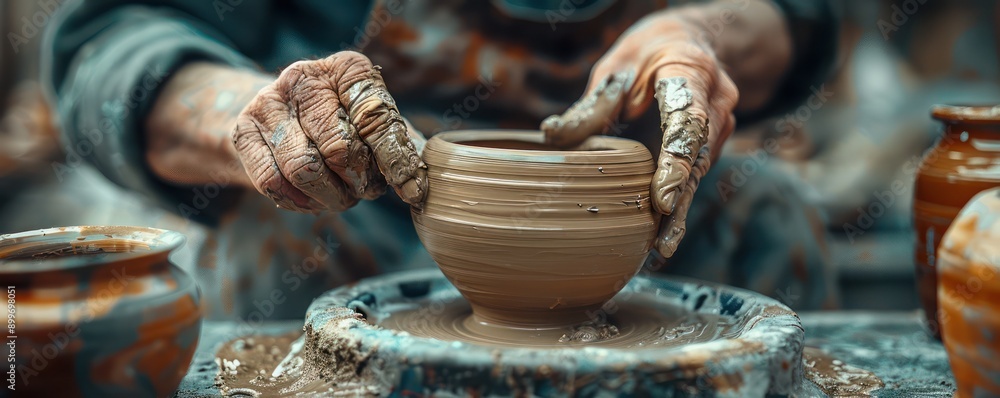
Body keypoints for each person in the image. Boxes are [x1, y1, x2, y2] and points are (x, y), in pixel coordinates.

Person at [44, 0, 839, 320]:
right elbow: (106, 45)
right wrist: (257, 117)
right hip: (356, 193)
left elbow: (800, 19)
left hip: (632, 206)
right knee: (272, 247)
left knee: (770, 212)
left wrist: (699, 34)